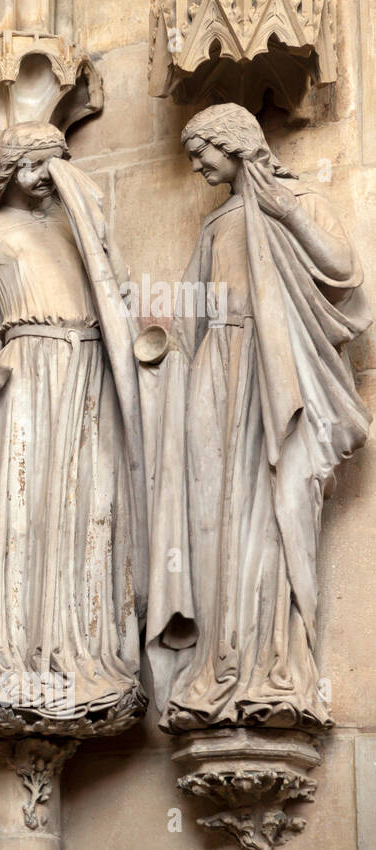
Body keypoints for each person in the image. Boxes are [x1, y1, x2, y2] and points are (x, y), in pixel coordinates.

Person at [145, 104, 371, 732]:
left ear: (234, 145)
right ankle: (221, 661)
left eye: (203, 152)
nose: (195, 165)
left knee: (276, 512)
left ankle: (277, 663)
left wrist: (288, 214)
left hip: (277, 377)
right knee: (213, 517)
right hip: (215, 379)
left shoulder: (296, 201)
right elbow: (189, 321)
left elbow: (346, 274)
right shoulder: (216, 224)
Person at [0, 122, 148, 737]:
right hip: (25, 370)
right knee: (19, 507)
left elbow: (118, 297)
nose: (42, 175)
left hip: (88, 374)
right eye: (31, 164)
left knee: (87, 510)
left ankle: (82, 650)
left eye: (52, 163)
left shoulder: (81, 239)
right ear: (9, 173)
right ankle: (11, 652)